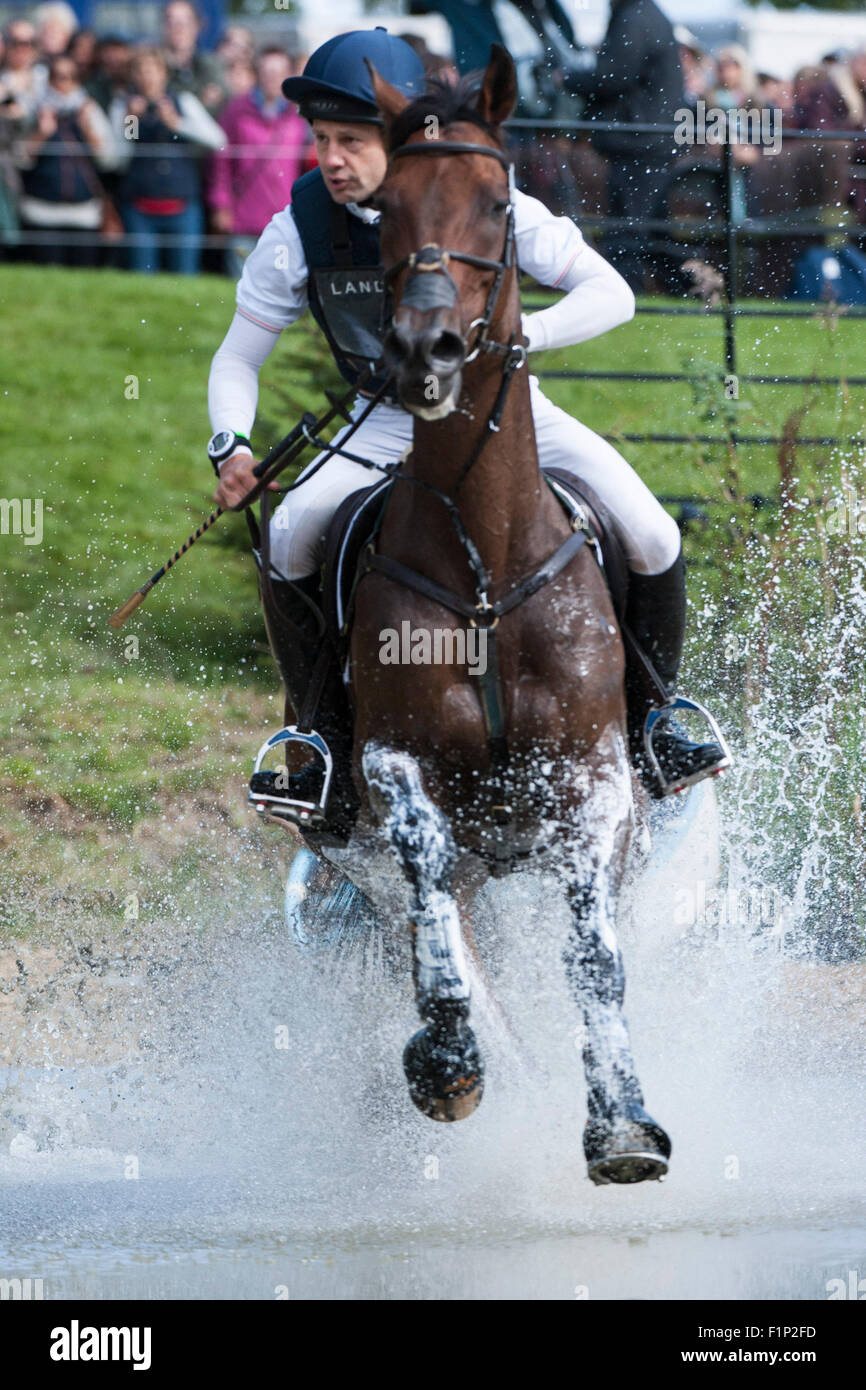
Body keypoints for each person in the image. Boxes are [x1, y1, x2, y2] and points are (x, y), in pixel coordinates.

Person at [207, 28, 726, 818]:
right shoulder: (301, 229)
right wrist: (231, 444)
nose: (331, 158)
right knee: (288, 537)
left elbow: (611, 292)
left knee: (653, 533)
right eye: (321, 140)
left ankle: (657, 717)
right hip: (385, 424)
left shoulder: (494, 201)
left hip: (507, 411)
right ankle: (315, 742)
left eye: (352, 140)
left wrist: (525, 338)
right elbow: (237, 358)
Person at [110, 45, 225, 274]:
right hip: (140, 206)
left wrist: (178, 124)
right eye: (140, 71)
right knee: (141, 274)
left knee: (184, 275)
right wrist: (132, 120)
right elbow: (117, 158)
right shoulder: (124, 105)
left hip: (182, 205)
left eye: (152, 70)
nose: (147, 76)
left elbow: (218, 141)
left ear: (164, 73)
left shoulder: (183, 101)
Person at [209, 46, 309, 278]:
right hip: (243, 215)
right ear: (257, 74)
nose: (272, 78)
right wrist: (221, 204)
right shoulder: (236, 110)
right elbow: (221, 161)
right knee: (241, 287)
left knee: (283, 288)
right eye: (267, 72)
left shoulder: (301, 114)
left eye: (278, 72)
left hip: (286, 216)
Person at [16, 53, 116, 266]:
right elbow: (20, 160)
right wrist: (41, 133)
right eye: (58, 76)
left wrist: (88, 130)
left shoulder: (90, 108)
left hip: (84, 212)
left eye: (70, 77)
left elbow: (111, 159)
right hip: (41, 211)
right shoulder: (33, 108)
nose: (64, 83)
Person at [161, 0, 227, 114]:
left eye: (185, 22)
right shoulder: (151, 66)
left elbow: (225, 96)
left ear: (198, 26)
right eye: (171, 22)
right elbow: (131, 123)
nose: (178, 29)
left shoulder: (211, 65)